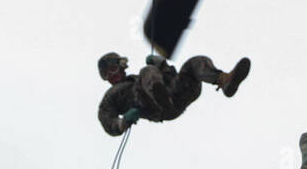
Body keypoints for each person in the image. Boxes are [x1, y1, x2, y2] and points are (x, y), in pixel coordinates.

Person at [96, 51, 251, 136]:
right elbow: (106, 120)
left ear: (122, 67)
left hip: (175, 95)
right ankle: (162, 98)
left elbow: (169, 77)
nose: (111, 76)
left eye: (113, 70)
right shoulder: (111, 96)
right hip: (157, 108)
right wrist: (122, 123)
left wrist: (161, 64)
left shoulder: (140, 78)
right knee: (147, 71)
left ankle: (224, 80)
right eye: (106, 75)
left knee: (194, 62)